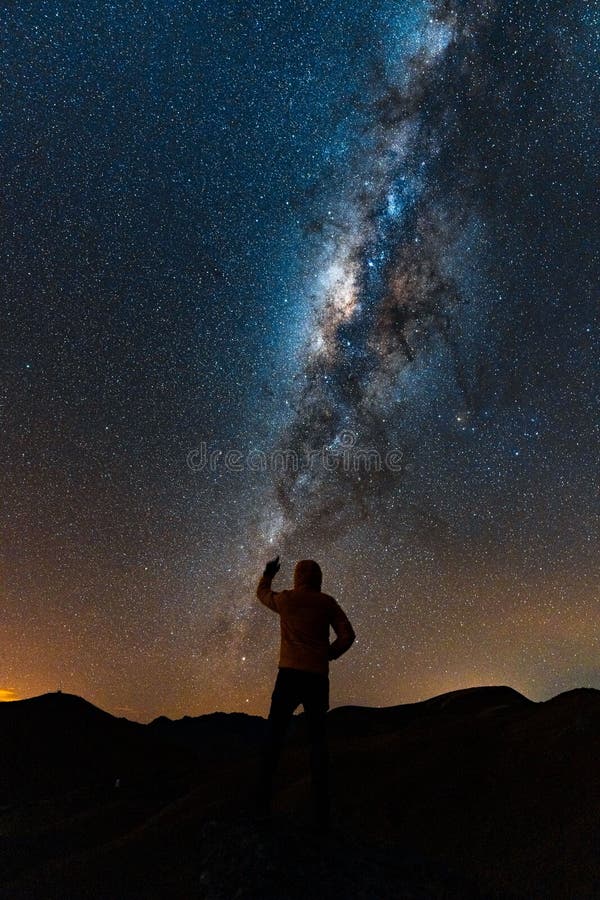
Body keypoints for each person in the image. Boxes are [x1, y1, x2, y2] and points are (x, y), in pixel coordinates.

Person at [256, 555, 355, 829]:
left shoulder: (286, 599)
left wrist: (268, 574)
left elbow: (262, 594)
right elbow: (348, 635)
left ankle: (261, 802)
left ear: (297, 577)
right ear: (318, 578)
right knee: (317, 742)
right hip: (316, 678)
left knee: (274, 735)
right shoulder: (327, 603)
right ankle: (320, 810)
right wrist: (328, 655)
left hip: (288, 675)